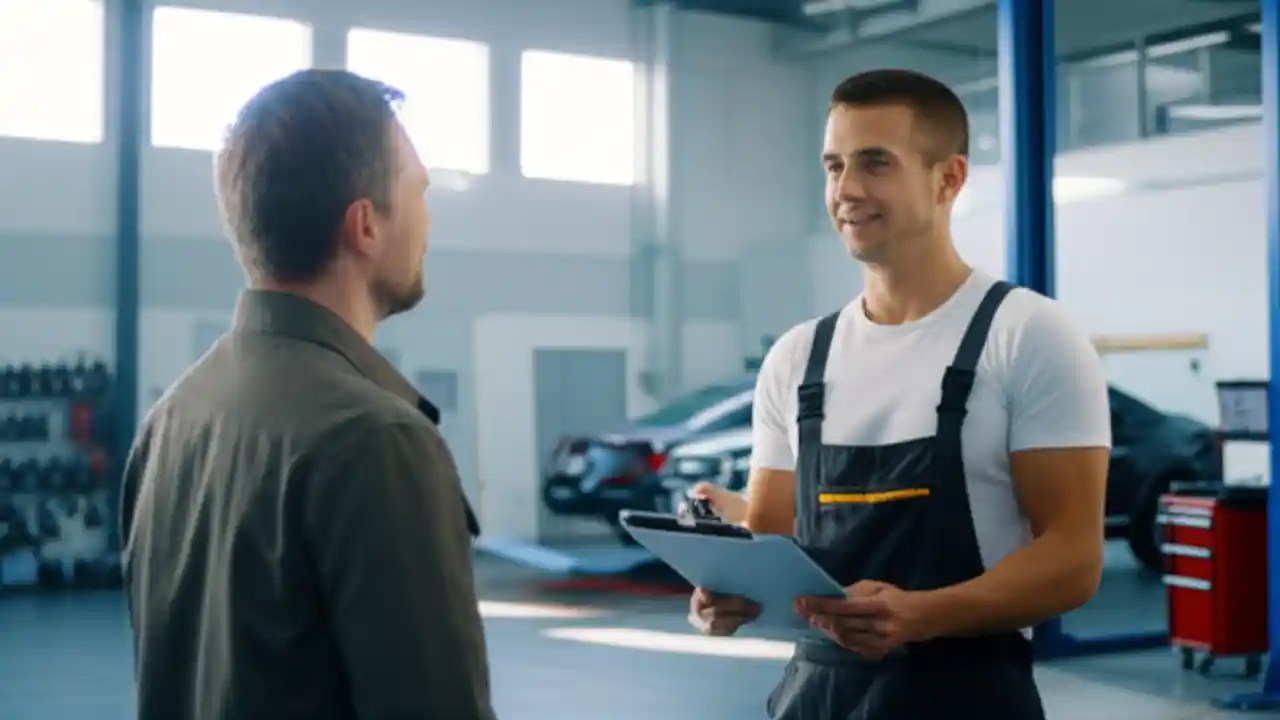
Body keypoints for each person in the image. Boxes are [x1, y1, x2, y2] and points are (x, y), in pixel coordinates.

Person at [687, 68, 1111, 718]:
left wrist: (922, 615)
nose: (846, 190)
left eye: (875, 163)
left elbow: (1072, 558)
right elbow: (774, 533)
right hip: (815, 697)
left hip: (967, 698)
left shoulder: (1026, 335)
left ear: (949, 179)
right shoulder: (797, 359)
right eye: (833, 167)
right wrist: (726, 591)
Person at [118, 69, 496, 720]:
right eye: (419, 191)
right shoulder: (378, 442)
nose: (428, 220)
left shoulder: (171, 419)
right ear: (365, 226)